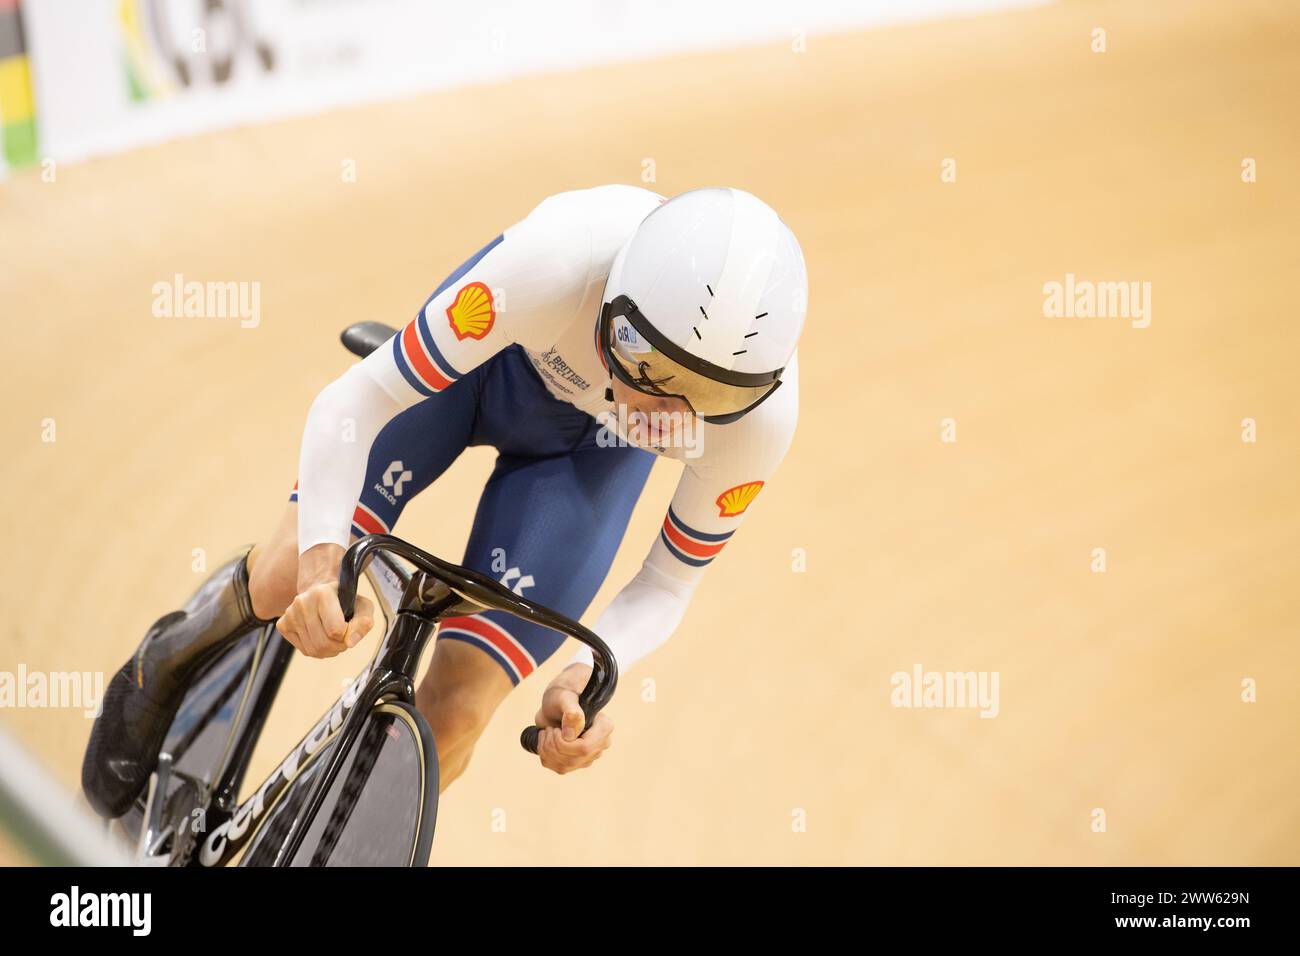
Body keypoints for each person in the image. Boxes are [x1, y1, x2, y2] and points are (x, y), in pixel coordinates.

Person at [82, 184, 807, 819]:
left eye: (708, 396)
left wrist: (588, 677)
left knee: (455, 717)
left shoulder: (758, 422)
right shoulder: (557, 262)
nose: (666, 408)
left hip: (590, 456)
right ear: (616, 303)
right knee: (283, 577)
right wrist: (319, 562)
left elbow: (669, 582)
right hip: (484, 371)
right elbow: (357, 400)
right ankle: (171, 655)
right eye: (646, 365)